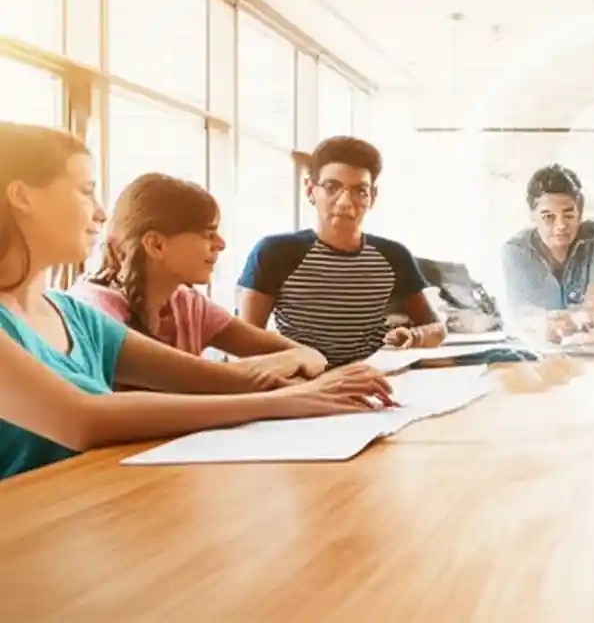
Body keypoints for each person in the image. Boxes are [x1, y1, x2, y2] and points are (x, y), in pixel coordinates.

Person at [0, 123, 393, 480]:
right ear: (22, 196)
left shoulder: (75, 316)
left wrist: (326, 384)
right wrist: (286, 399)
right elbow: (81, 419)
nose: (101, 213)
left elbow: (220, 381)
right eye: (86, 191)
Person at [70, 173, 327, 379]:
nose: (221, 243)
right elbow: (196, 383)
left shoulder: (188, 304)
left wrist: (299, 360)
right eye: (207, 234)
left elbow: (304, 355)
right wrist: (290, 363)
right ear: (156, 245)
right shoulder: (94, 309)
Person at [237, 136, 445, 366]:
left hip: (371, 383)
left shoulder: (393, 256)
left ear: (372, 197)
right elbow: (247, 342)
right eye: (331, 187)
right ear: (310, 190)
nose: (345, 202)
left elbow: (436, 329)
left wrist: (414, 337)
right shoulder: (274, 253)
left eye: (360, 191)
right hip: (302, 384)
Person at [500, 164, 594, 344]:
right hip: (539, 348)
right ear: (533, 215)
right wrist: (564, 321)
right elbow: (524, 315)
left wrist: (573, 319)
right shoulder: (516, 250)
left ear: (580, 212)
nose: (561, 225)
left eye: (569, 215)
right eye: (548, 217)